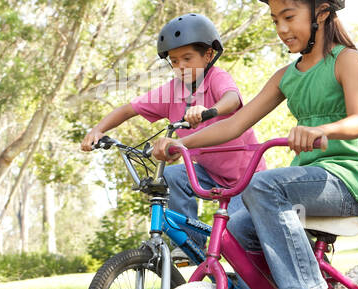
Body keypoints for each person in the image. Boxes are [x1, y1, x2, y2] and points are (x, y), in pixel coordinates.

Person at [153, 0, 358, 289]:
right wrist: (182, 143)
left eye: (289, 17)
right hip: (306, 181)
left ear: (321, 12)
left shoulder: (346, 60)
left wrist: (321, 130)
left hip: (346, 179)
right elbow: (234, 124)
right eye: (275, 20)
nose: (282, 28)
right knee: (235, 233)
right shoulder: (286, 75)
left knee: (260, 187)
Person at [80, 13, 262, 222]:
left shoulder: (216, 78)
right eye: (174, 61)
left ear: (209, 55)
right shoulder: (172, 91)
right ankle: (188, 248)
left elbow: (231, 98)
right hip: (209, 173)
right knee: (170, 177)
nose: (180, 66)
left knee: (236, 230)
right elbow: (127, 109)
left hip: (247, 177)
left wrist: (210, 111)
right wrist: (98, 129)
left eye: (187, 58)